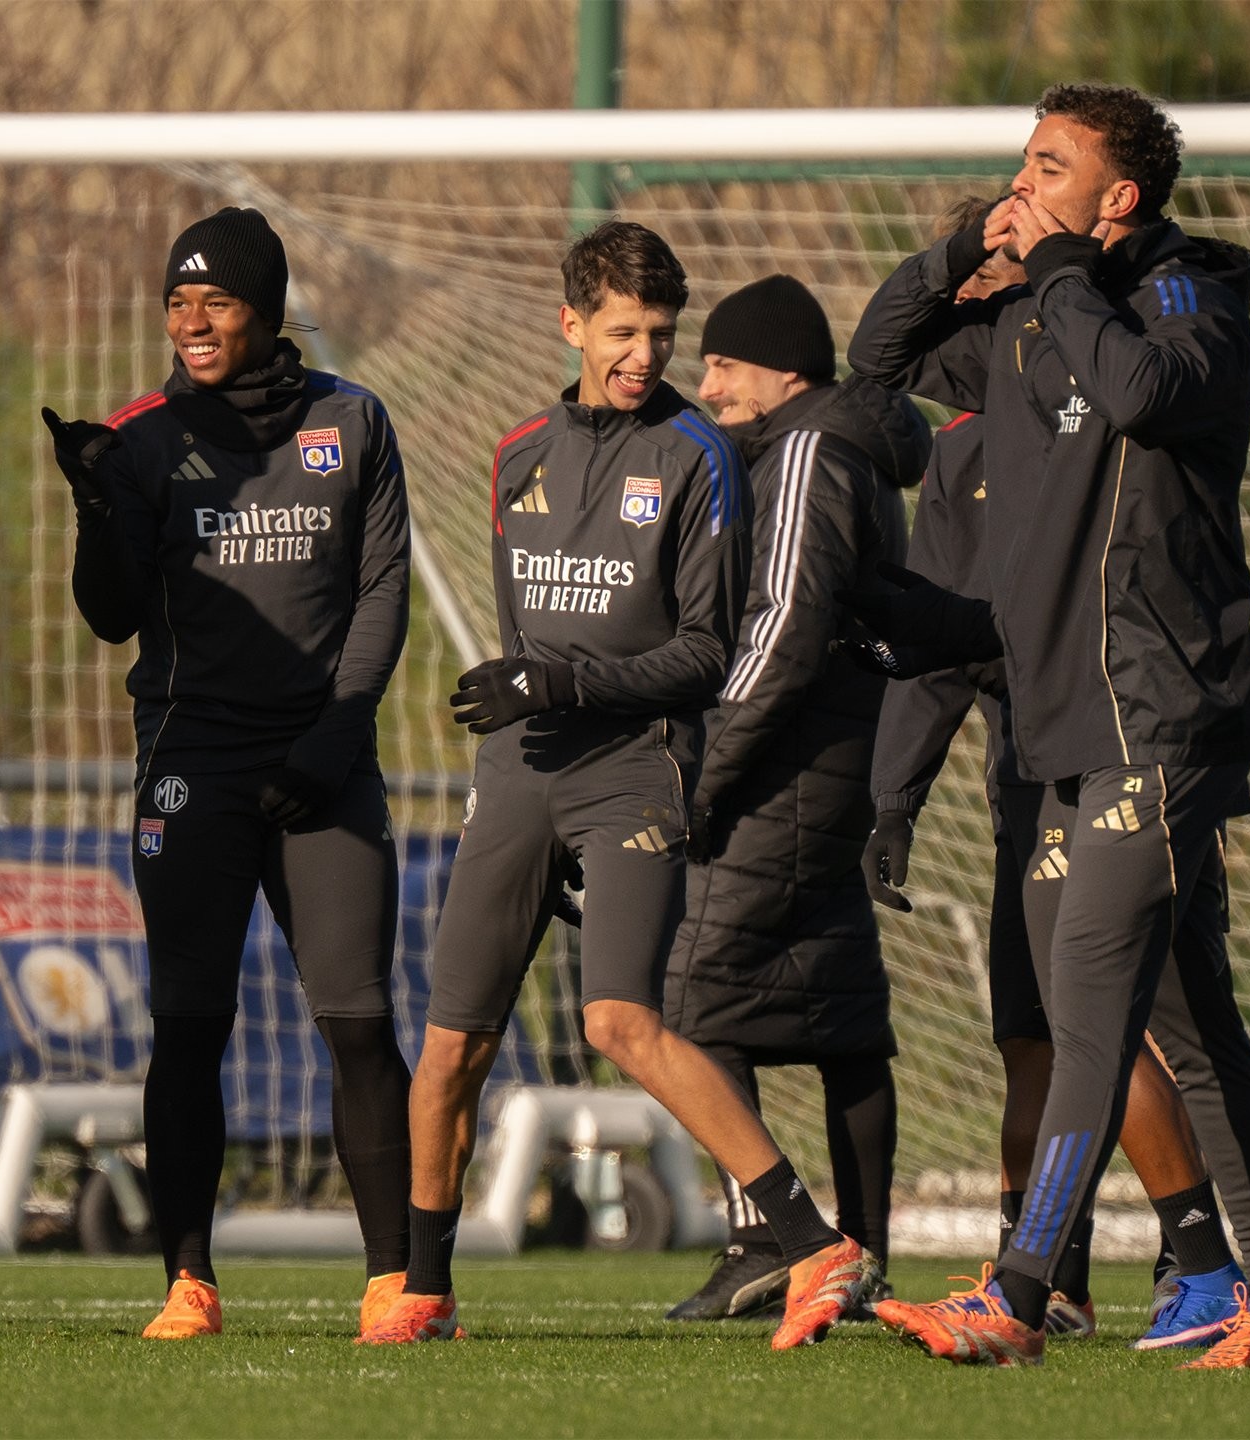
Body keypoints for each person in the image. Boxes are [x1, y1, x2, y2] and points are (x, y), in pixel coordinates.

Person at [844, 83, 1250, 1368]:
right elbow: (881, 360)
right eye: (1022, 160)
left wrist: (1059, 268)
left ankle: (1018, 1296)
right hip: (1066, 724)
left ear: (1115, 198)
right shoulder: (1025, 324)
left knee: (1084, 1006)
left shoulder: (1185, 299)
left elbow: (1135, 392)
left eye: (1049, 165)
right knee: (1194, 1029)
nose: (1024, 182)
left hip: (1161, 718)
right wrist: (966, 252)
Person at [361, 222, 879, 1350]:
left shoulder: (697, 457)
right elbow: (520, 641)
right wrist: (526, 696)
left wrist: (558, 678)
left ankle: (812, 1241)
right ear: (571, 325)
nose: (644, 354)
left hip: (633, 771)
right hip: (519, 777)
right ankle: (423, 1287)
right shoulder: (515, 456)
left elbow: (705, 652)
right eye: (623, 332)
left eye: (660, 334)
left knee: (620, 1022)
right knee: (451, 1043)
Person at [47, 207, 414, 1341]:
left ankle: (394, 1286)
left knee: (355, 1022)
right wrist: (96, 509)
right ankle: (188, 1283)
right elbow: (110, 617)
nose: (192, 322)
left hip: (325, 768)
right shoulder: (143, 435)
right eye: (176, 303)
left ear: (266, 309)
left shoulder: (350, 421)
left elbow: (380, 594)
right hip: (189, 769)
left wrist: (331, 739)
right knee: (188, 1026)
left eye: (215, 301)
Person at [658, 275, 929, 1323]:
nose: (707, 381)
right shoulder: (823, 446)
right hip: (833, 761)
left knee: (684, 1003)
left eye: (725, 362)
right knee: (841, 1019)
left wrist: (704, 773)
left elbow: (780, 630)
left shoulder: (809, 450)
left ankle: (768, 1239)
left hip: (785, 764)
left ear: (786, 371)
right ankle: (861, 1253)